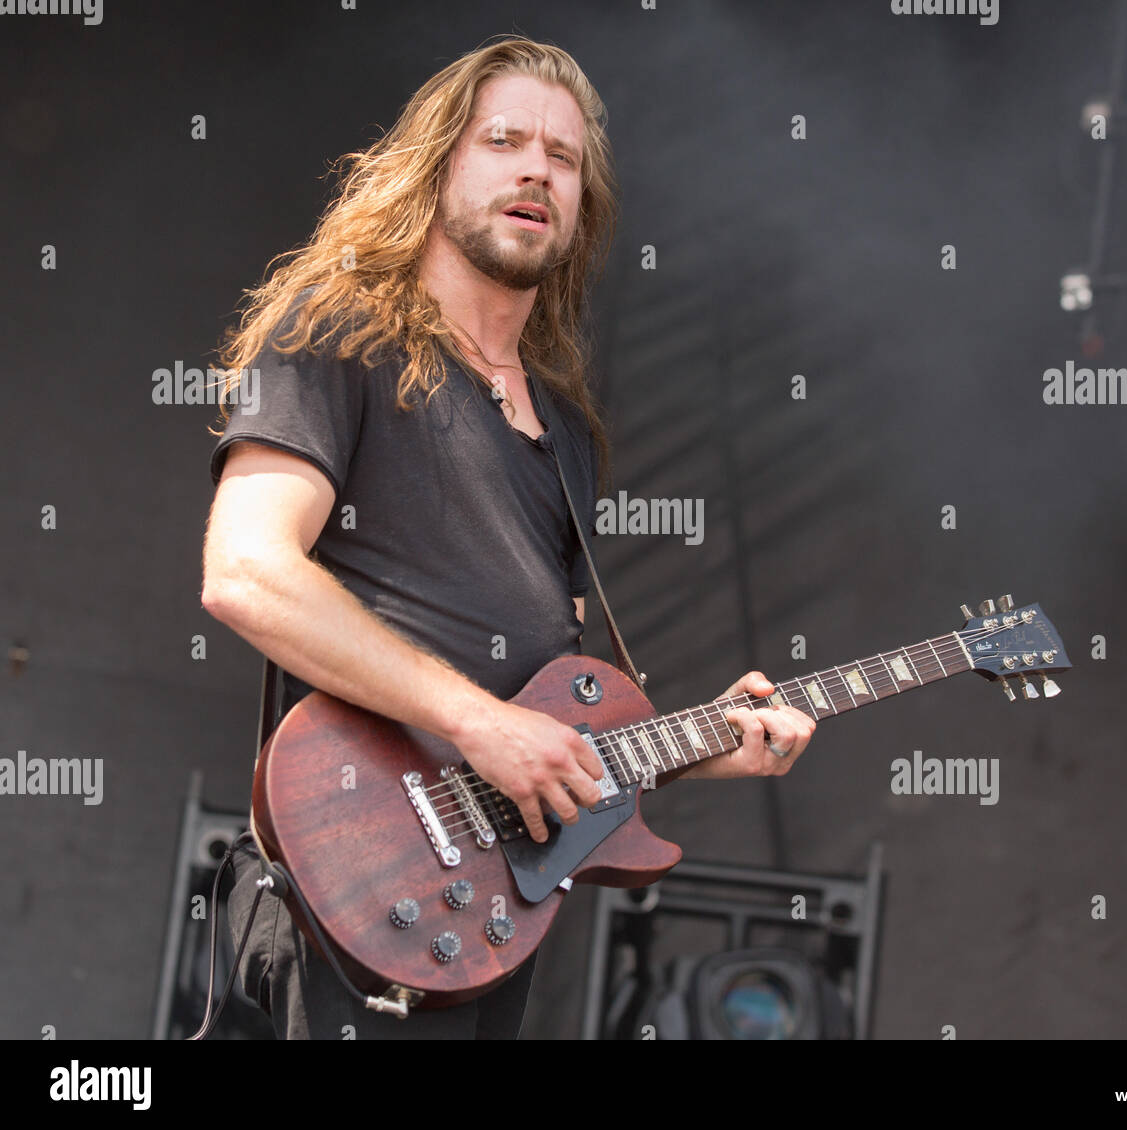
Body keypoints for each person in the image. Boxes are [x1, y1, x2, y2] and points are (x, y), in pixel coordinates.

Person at [201, 35, 816, 1041]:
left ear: (579, 209)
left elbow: (553, 713)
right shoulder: (341, 335)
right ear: (439, 166)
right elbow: (244, 571)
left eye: (563, 157)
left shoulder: (564, 429)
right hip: (356, 893)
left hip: (483, 922)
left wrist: (707, 746)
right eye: (504, 140)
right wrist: (479, 722)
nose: (537, 166)